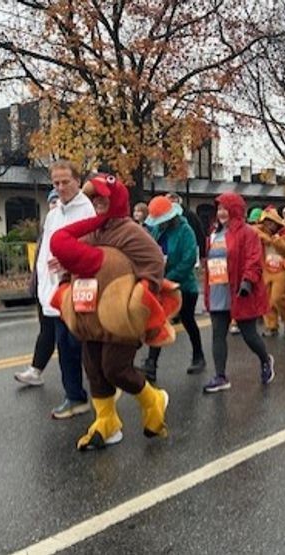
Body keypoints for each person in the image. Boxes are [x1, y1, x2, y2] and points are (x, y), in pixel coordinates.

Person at [47, 173, 178, 450]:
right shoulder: (91, 231)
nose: (97, 205)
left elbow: (153, 260)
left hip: (119, 318)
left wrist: (140, 296)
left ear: (115, 199)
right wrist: (64, 284)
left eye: (103, 199)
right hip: (90, 313)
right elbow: (77, 263)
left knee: (115, 369)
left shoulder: (129, 231)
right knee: (93, 370)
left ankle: (154, 400)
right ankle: (107, 422)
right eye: (93, 200)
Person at [14, 161, 95, 419]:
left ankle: (105, 391)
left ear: (78, 181)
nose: (60, 188)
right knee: (65, 346)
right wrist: (42, 286)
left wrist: (69, 262)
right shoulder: (54, 214)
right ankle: (74, 397)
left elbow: (95, 250)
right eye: (56, 183)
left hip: (81, 288)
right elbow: (45, 252)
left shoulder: (88, 211)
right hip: (55, 291)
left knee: (84, 345)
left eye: (65, 182)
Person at [201, 192, 274, 393]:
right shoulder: (214, 233)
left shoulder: (248, 233)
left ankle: (265, 359)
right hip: (217, 289)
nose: (222, 213)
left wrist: (248, 282)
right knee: (217, 334)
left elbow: (254, 260)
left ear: (235, 210)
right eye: (219, 209)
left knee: (249, 335)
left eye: (225, 208)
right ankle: (220, 376)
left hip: (239, 291)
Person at [140, 195, 206, 381]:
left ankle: (198, 355)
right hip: (160, 284)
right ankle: (151, 363)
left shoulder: (186, 231)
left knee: (187, 320)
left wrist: (169, 279)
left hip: (183, 286)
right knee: (157, 320)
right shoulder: (156, 231)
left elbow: (188, 260)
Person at [14, 189, 62, 388]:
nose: (55, 204)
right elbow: (40, 264)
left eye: (58, 201)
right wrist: (34, 286)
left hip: (63, 290)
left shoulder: (67, 227)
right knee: (46, 331)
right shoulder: (46, 229)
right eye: (52, 201)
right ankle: (35, 370)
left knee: (71, 337)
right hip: (44, 290)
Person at [252, 208, 285, 337]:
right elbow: (252, 229)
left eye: (272, 222)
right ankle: (271, 325)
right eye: (266, 222)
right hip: (266, 269)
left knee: (278, 298)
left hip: (281, 270)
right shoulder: (260, 233)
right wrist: (265, 236)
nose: (269, 225)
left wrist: (275, 241)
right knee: (267, 300)